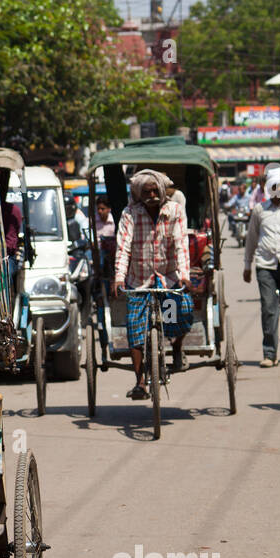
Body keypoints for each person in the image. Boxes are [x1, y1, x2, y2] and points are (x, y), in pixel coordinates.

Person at [113, 169, 192, 399]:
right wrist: (119, 277)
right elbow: (123, 247)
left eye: (155, 190)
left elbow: (181, 245)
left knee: (181, 313)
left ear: (162, 191)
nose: (151, 195)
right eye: (146, 191)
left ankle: (176, 348)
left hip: (167, 279)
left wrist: (184, 275)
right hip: (139, 280)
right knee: (135, 328)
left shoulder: (175, 211)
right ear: (139, 194)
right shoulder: (130, 214)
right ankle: (140, 382)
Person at [243, 167, 280, 365]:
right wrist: (247, 265)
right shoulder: (260, 210)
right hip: (265, 265)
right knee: (268, 308)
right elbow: (251, 238)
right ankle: (269, 353)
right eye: (275, 186)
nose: (279, 190)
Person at [95, 197, 116, 282]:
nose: (100, 211)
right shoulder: (93, 221)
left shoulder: (114, 221)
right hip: (98, 253)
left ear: (108, 209)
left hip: (111, 254)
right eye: (98, 209)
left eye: (102, 209)